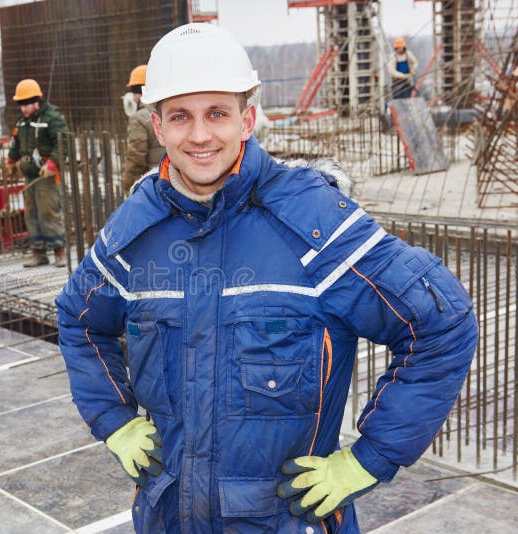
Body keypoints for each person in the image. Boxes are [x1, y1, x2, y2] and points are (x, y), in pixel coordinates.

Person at [55, 23, 477, 533]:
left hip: (283, 521)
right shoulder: (136, 231)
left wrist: (369, 459)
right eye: (180, 116)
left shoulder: (312, 221)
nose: (200, 135)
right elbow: (79, 320)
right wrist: (114, 421)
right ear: (159, 127)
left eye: (217, 113)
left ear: (248, 119)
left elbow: (441, 324)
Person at [5, 79, 69, 268]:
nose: (23, 109)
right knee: (31, 214)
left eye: (26, 104)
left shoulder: (52, 117)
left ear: (37, 101)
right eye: (21, 105)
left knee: (48, 212)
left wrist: (52, 163)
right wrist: (11, 160)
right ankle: (38, 252)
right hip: (30, 176)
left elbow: (64, 141)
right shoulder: (23, 122)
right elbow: (16, 143)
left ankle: (59, 251)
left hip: (46, 177)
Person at [122, 64, 166, 196]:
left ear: (137, 93)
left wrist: (128, 186)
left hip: (153, 183)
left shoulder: (138, 118)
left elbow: (136, 157)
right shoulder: (168, 111)